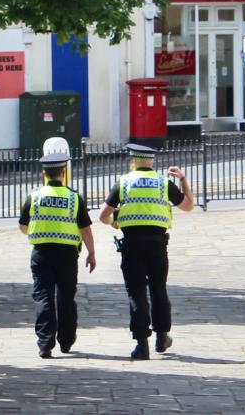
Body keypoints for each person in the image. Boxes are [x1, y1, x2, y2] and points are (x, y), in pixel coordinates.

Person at [98, 143, 194, 360]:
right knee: (158, 289)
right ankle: (162, 337)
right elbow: (188, 206)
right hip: (158, 245)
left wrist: (115, 222)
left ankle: (142, 344)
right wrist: (183, 179)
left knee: (136, 292)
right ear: (151, 161)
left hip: (132, 246)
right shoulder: (163, 183)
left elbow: (103, 216)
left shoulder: (123, 182)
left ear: (133, 161)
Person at [19, 152, 96, 359]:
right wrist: (91, 252)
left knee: (43, 295)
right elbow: (86, 229)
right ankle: (66, 341)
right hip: (67, 255)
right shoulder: (74, 198)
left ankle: (45, 343)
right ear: (63, 173)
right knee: (66, 297)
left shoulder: (34, 197)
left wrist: (37, 232)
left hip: (41, 253)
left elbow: (23, 226)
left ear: (44, 173)